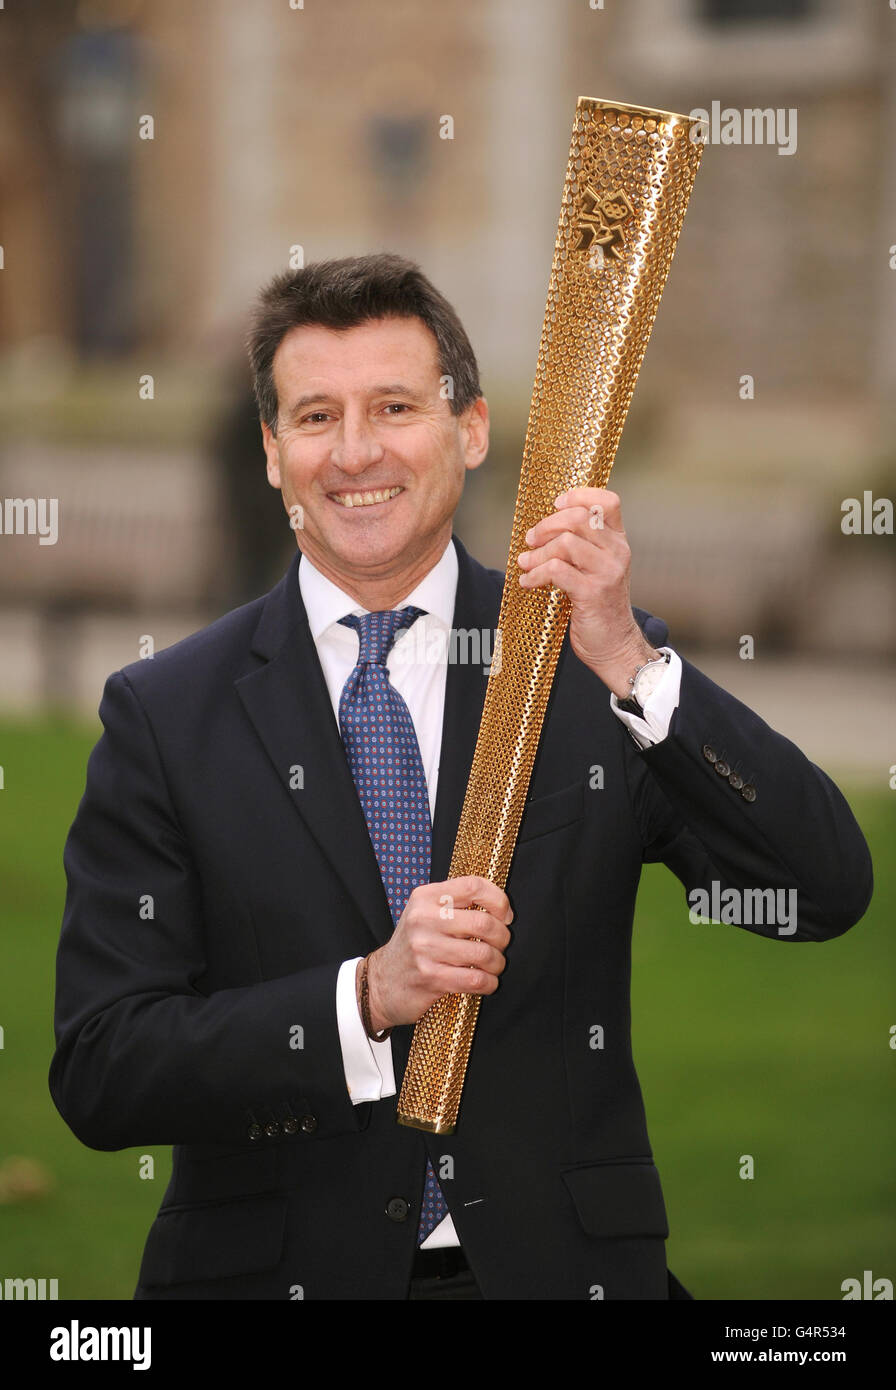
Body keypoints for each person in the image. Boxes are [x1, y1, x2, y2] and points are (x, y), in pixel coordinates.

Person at [50, 254, 873, 1301]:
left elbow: (819, 890)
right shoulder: (165, 714)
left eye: (394, 405)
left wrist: (628, 658)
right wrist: (365, 997)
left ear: (471, 429)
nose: (354, 452)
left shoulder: (585, 668)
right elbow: (104, 1067)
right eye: (313, 416)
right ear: (269, 451)